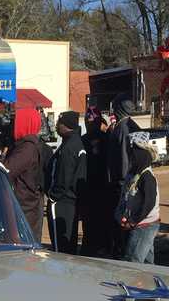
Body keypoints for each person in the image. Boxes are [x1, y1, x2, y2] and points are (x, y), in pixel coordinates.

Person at [3, 107, 48, 238]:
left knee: (25, 244)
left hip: (25, 205)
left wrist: (3, 155)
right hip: (27, 203)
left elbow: (7, 170)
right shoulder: (28, 146)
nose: (12, 126)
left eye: (15, 122)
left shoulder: (27, 148)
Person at [115, 139, 161, 264]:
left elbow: (149, 203)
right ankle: (151, 282)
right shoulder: (134, 174)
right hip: (139, 224)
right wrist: (121, 217)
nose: (131, 159)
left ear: (142, 157)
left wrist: (133, 221)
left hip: (145, 225)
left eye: (134, 156)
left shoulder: (147, 177)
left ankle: (133, 283)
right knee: (147, 263)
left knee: (132, 261)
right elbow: (125, 198)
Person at [47, 111, 87, 254]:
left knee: (61, 249)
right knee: (68, 246)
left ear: (67, 126)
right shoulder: (74, 143)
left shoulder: (69, 147)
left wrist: (53, 196)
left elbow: (64, 177)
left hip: (62, 202)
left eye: (59, 123)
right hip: (70, 202)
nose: (57, 126)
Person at [81, 110, 115, 257]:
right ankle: (103, 248)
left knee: (91, 225)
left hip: (92, 189)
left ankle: (92, 249)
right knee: (103, 223)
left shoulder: (83, 140)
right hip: (104, 189)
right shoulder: (108, 138)